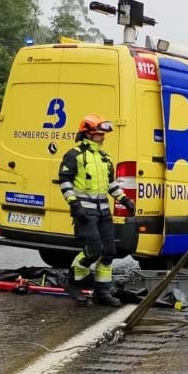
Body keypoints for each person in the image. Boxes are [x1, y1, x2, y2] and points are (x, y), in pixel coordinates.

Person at [58, 113, 134, 306]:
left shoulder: (104, 158)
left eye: (103, 134)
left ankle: (102, 292)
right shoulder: (74, 155)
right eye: (99, 134)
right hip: (84, 212)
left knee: (109, 252)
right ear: (88, 134)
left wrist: (124, 199)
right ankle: (73, 282)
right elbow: (65, 181)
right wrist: (75, 205)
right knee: (92, 251)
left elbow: (111, 184)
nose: (103, 137)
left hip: (103, 212)